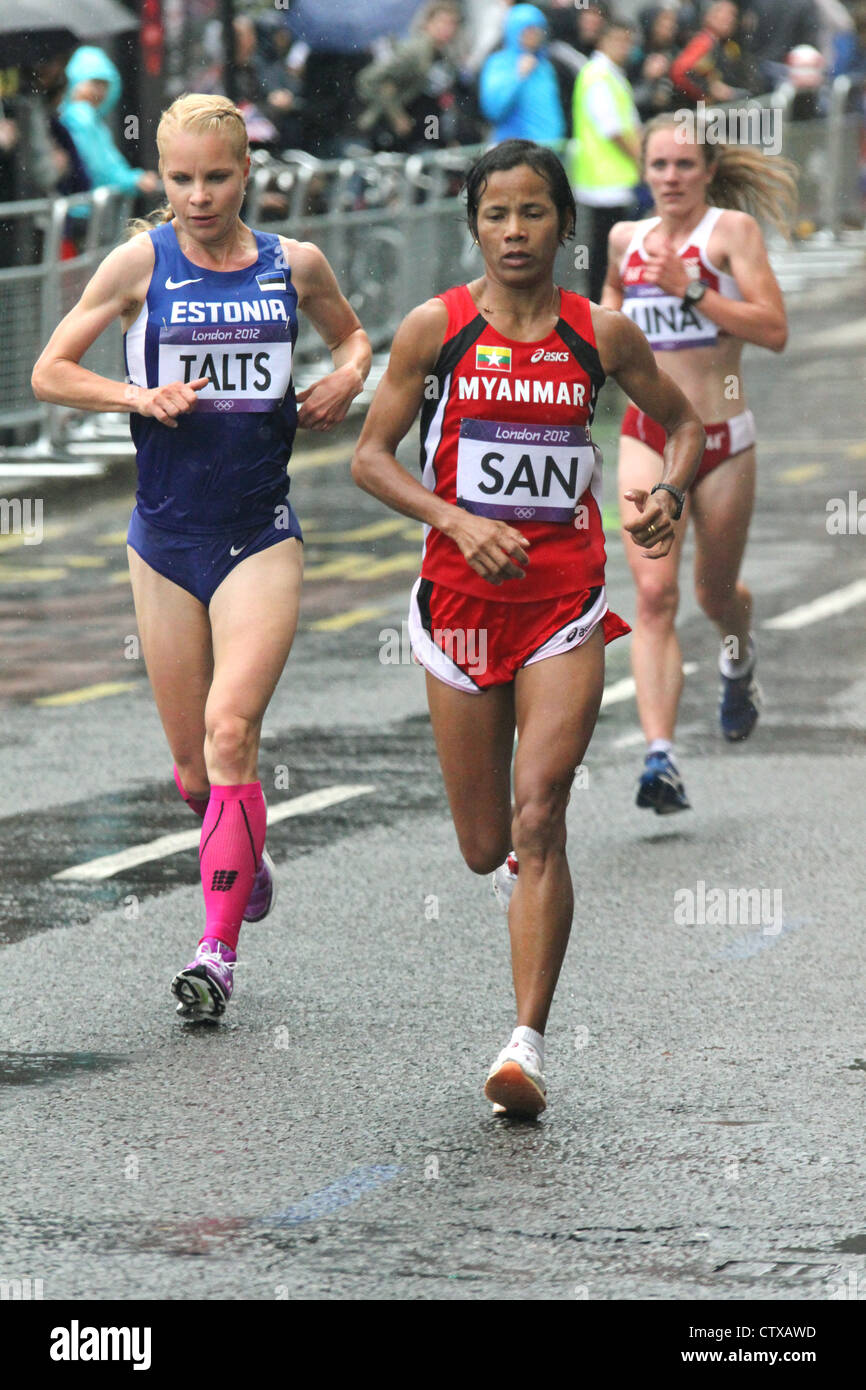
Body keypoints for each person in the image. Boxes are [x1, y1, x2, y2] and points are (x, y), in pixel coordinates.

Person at [351, 139, 705, 1116]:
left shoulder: (601, 334)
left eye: (534, 213)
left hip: (564, 602)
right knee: (481, 844)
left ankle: (524, 1046)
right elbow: (370, 459)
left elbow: (682, 424)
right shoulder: (436, 329)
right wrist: (456, 518)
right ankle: (513, 868)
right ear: (473, 225)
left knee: (539, 812)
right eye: (497, 214)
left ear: (563, 226)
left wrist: (668, 490)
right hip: (460, 609)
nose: (514, 231)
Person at [32, 94, 371, 1020]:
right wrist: (137, 398)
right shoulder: (141, 260)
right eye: (179, 178)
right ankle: (242, 852)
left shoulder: (291, 265)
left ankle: (214, 956)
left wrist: (348, 374)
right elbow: (49, 370)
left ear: (246, 173)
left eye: (215, 177)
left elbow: (352, 334)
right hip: (163, 539)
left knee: (232, 733)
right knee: (192, 771)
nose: (196, 195)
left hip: (259, 533)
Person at [601, 111, 796, 813]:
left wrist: (691, 289)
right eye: (659, 166)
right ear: (644, 171)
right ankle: (661, 758)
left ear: (710, 171)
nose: (671, 178)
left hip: (720, 440)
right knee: (653, 596)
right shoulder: (626, 239)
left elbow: (773, 329)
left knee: (716, 596)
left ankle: (737, 660)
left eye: (685, 166)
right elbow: (607, 327)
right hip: (646, 436)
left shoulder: (730, 235)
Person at [571, 16, 642, 303]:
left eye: (628, 41)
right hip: (605, 180)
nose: (625, 47)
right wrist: (643, 160)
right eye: (619, 40)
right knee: (605, 252)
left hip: (613, 178)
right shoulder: (598, 75)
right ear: (603, 41)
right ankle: (601, 307)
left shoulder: (609, 73)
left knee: (608, 250)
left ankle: (605, 305)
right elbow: (612, 129)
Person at [479, 5, 566, 144]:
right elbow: (493, 110)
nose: (534, 35)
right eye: (528, 30)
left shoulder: (545, 66)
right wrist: (517, 77)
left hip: (550, 150)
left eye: (538, 30)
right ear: (514, 31)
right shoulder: (499, 62)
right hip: (517, 150)